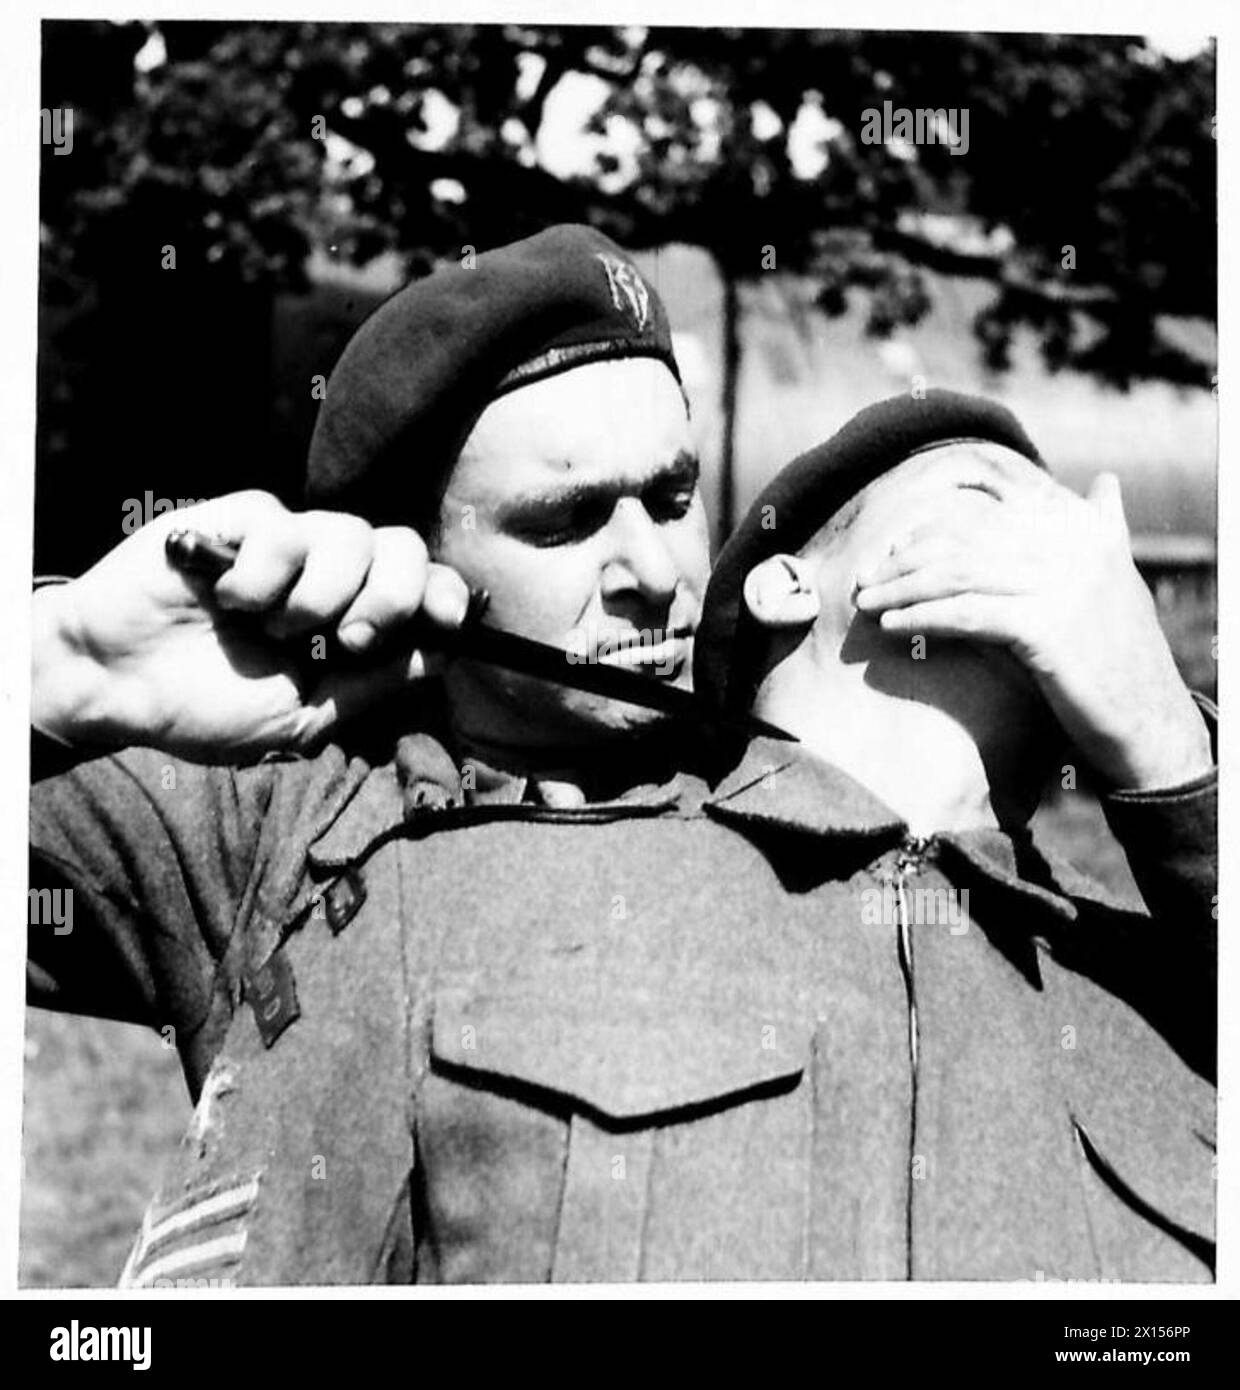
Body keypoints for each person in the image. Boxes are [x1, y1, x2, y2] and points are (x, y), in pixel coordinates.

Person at [32, 366, 1214, 1280]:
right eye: (987, 506)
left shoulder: (1167, 979)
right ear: (788, 585)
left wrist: (1169, 746)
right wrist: (57, 671)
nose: (1074, 555)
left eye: (675, 498)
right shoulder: (410, 854)